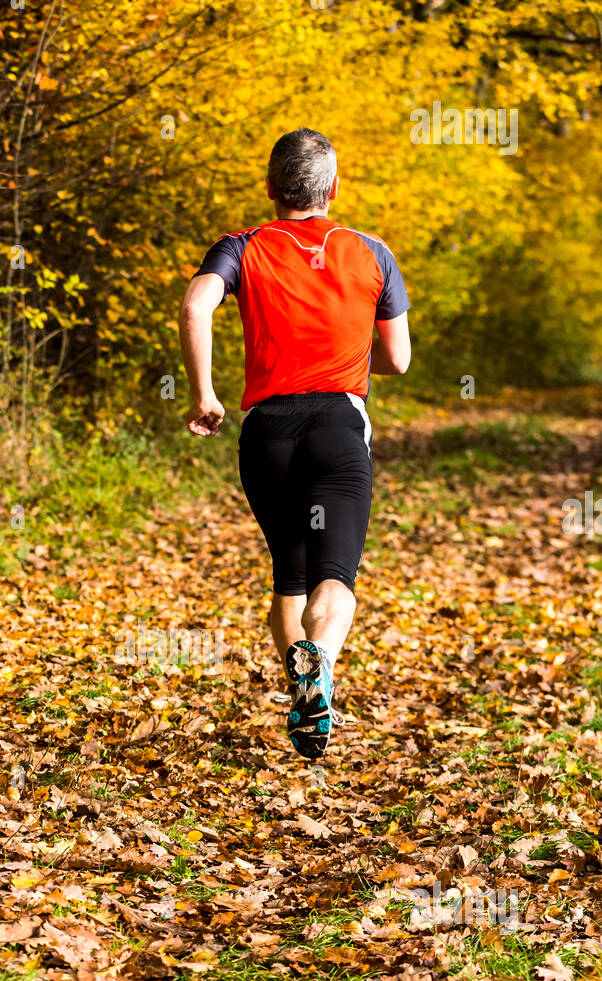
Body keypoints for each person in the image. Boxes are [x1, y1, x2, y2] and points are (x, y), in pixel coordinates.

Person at [178, 128, 411, 760]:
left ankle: (305, 696)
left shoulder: (241, 246)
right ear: (333, 189)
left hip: (267, 436)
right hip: (337, 428)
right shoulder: (371, 251)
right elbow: (398, 359)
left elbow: (197, 307)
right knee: (334, 575)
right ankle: (323, 664)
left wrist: (204, 394)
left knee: (291, 573)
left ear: (270, 188)